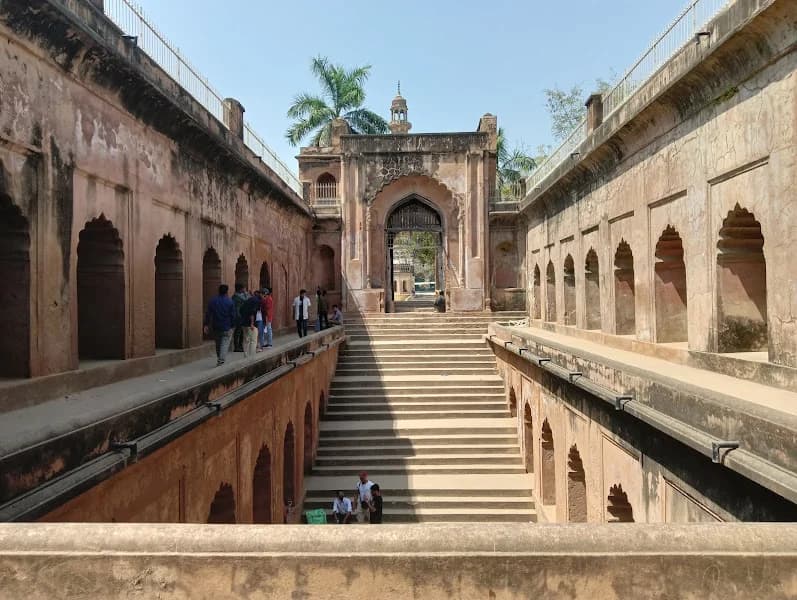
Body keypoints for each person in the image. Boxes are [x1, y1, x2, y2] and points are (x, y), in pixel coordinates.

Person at [203, 284, 236, 367]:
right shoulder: (230, 301)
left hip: (216, 325)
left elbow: (208, 314)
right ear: (227, 291)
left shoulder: (213, 301)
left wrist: (206, 324)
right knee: (225, 343)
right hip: (227, 326)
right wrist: (233, 325)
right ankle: (221, 360)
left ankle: (219, 358)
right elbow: (233, 315)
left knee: (218, 343)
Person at [240, 290, 261, 357]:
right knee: (253, 340)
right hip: (251, 324)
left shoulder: (249, 300)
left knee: (246, 339)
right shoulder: (257, 301)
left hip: (244, 322)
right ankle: (252, 357)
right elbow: (252, 312)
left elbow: (241, 309)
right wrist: (252, 323)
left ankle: (245, 355)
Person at [232, 283, 249, 352]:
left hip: (241, 316)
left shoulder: (238, 296)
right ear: (240, 289)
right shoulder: (236, 297)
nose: (245, 290)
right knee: (238, 332)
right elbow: (246, 300)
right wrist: (246, 293)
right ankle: (236, 347)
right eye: (244, 288)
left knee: (241, 332)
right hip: (238, 316)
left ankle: (240, 346)